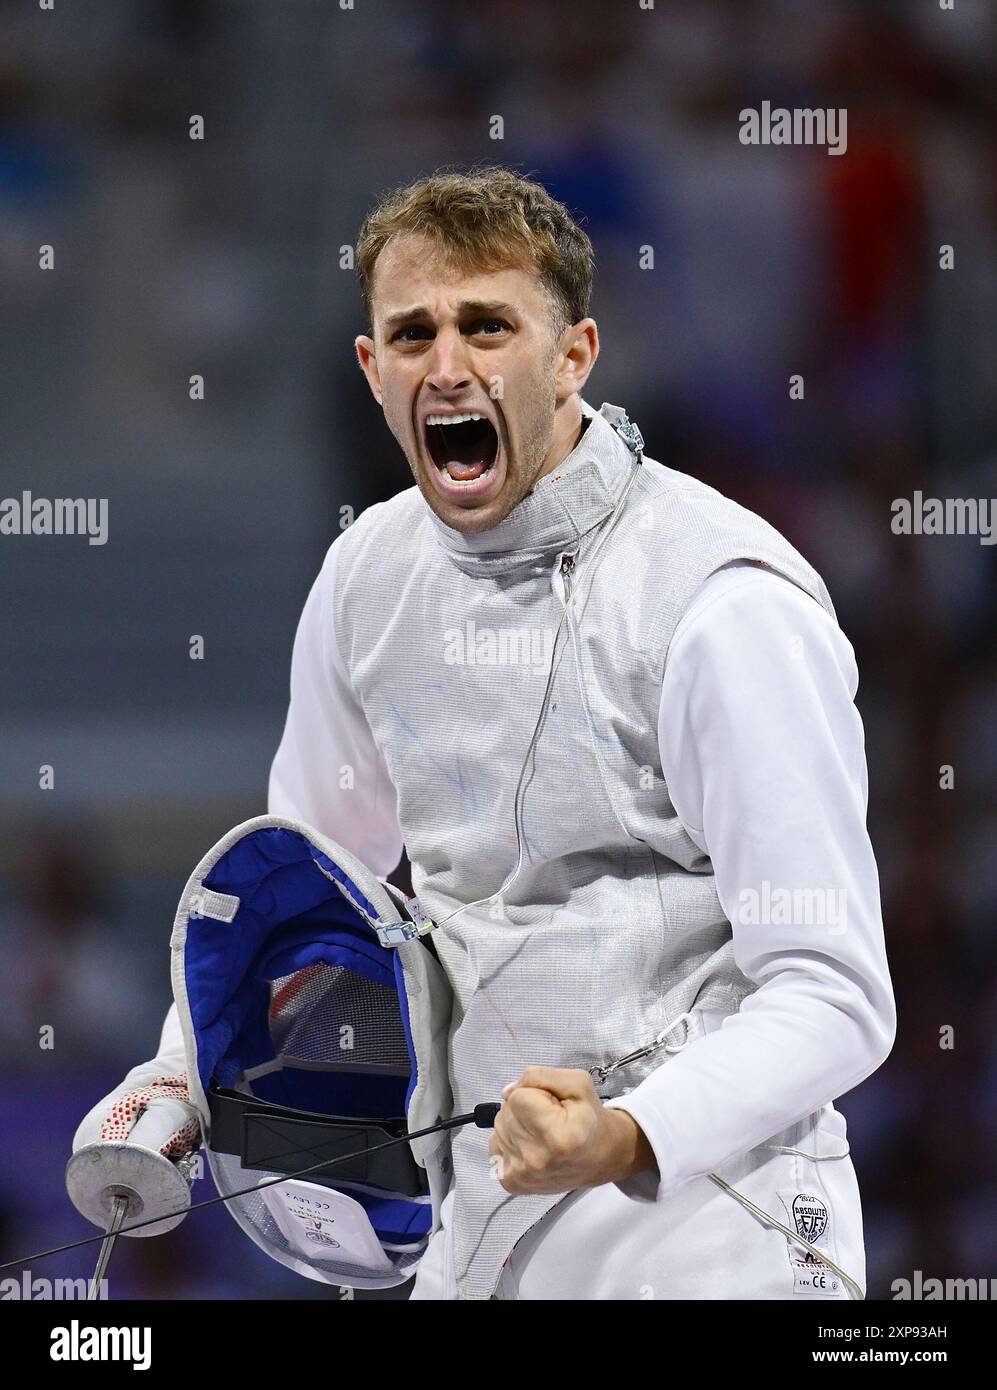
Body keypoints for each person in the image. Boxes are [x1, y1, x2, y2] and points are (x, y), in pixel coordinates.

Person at [79, 165, 896, 1301]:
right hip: (475, 1232)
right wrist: (176, 1075)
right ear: (372, 369)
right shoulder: (367, 579)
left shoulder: (720, 602)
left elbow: (833, 993)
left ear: (574, 356)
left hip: (715, 1224)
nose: (448, 365)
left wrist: (624, 1132)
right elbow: (300, 903)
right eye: (412, 334)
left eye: (488, 326)